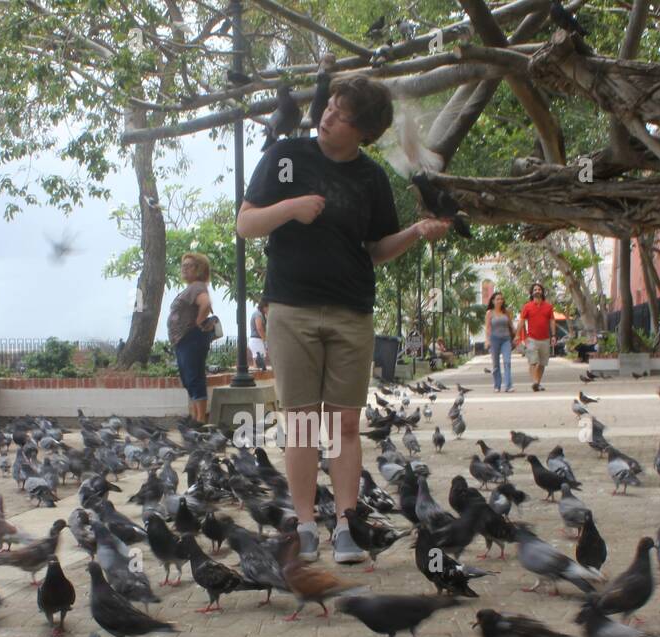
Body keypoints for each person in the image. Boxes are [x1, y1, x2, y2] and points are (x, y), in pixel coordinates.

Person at [237, 74, 451, 564]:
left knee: (345, 425)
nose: (328, 115)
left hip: (352, 310)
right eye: (330, 105)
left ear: (364, 133)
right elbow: (245, 223)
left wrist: (416, 231)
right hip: (290, 308)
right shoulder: (286, 157)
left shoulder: (371, 178)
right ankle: (307, 526)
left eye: (342, 114)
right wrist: (290, 207)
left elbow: (375, 249)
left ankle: (348, 529)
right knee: (302, 424)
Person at [166, 251, 216, 423]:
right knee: (188, 377)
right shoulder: (191, 288)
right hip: (183, 340)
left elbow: (206, 304)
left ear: (199, 269)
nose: (184, 269)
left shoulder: (197, 287)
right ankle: (195, 416)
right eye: (183, 266)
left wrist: (198, 321)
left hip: (191, 338)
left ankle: (200, 419)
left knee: (194, 376)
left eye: (189, 266)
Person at [518, 281, 556, 391]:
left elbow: (552, 321)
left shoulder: (548, 306)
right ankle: (535, 382)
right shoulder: (527, 306)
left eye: (539, 289)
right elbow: (521, 322)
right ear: (531, 293)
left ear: (542, 292)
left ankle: (537, 384)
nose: (537, 291)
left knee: (542, 364)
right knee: (533, 362)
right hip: (532, 339)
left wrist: (553, 336)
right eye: (535, 290)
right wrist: (519, 336)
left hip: (545, 339)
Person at [485, 291, 515, 392]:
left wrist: (516, 335)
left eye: (501, 299)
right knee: (496, 364)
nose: (500, 301)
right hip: (494, 340)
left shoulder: (506, 312)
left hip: (506, 339)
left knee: (507, 362)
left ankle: (508, 386)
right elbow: (488, 328)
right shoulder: (490, 313)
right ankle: (497, 385)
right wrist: (487, 340)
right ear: (493, 301)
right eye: (498, 299)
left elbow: (511, 325)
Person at [247, 297, 269, 370]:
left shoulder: (261, 314)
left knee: (258, 363)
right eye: (268, 307)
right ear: (264, 306)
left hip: (257, 341)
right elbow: (259, 328)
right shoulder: (258, 314)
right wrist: (265, 340)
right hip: (257, 340)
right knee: (259, 364)